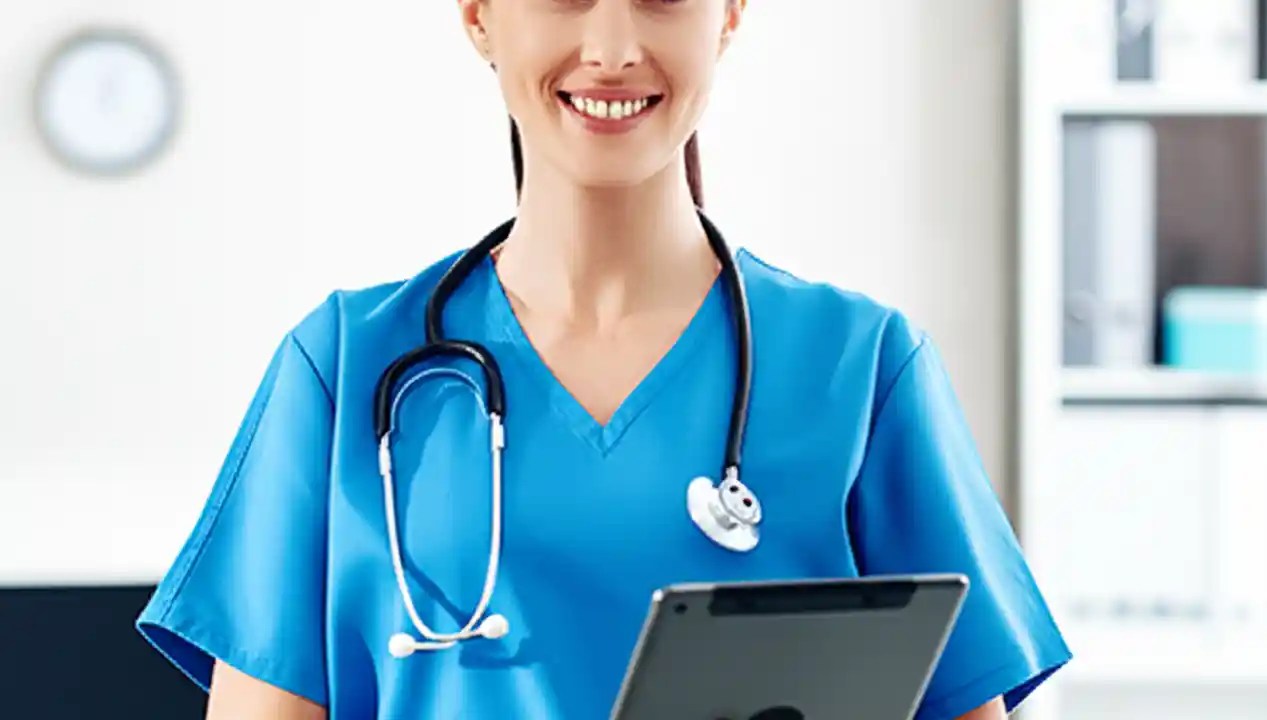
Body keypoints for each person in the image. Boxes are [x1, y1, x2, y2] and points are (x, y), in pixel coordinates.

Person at [136, 1, 1072, 718]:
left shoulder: (858, 369)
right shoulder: (345, 370)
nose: (615, 47)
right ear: (478, 15)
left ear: (730, 14)